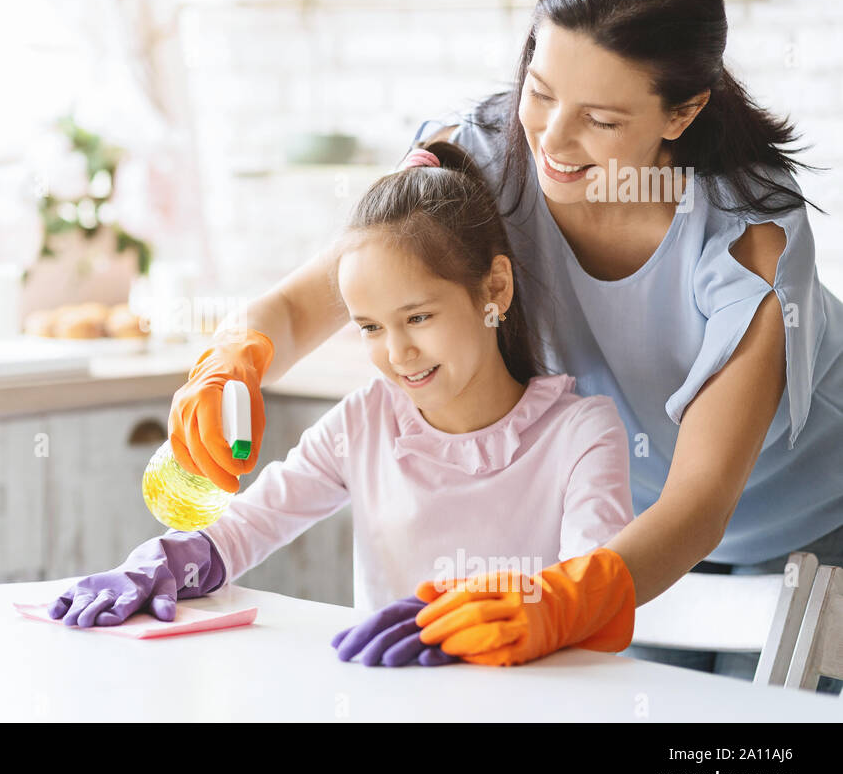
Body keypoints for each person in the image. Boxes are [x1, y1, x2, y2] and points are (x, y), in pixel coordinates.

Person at [165, 0, 843, 690]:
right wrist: (235, 356)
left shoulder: (748, 238)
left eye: (602, 119)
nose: (551, 139)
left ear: (681, 112)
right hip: (630, 534)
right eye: (541, 89)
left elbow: (701, 498)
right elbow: (303, 302)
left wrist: (565, 597)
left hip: (810, 520)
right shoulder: (480, 154)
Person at [49, 141, 636, 668]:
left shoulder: (582, 434)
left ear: (495, 288)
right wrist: (176, 559)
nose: (398, 352)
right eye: (370, 327)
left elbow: (590, 588)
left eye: (419, 317)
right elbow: (251, 524)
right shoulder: (366, 421)